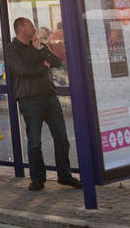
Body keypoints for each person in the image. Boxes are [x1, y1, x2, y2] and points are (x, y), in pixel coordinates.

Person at [5, 17, 80, 191]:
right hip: (29, 99)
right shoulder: (12, 49)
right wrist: (42, 67)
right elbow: (22, 69)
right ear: (22, 28)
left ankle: (64, 175)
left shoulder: (39, 46)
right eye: (31, 25)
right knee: (34, 141)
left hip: (49, 96)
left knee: (62, 138)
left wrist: (40, 49)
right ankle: (37, 179)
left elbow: (57, 62)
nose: (34, 28)